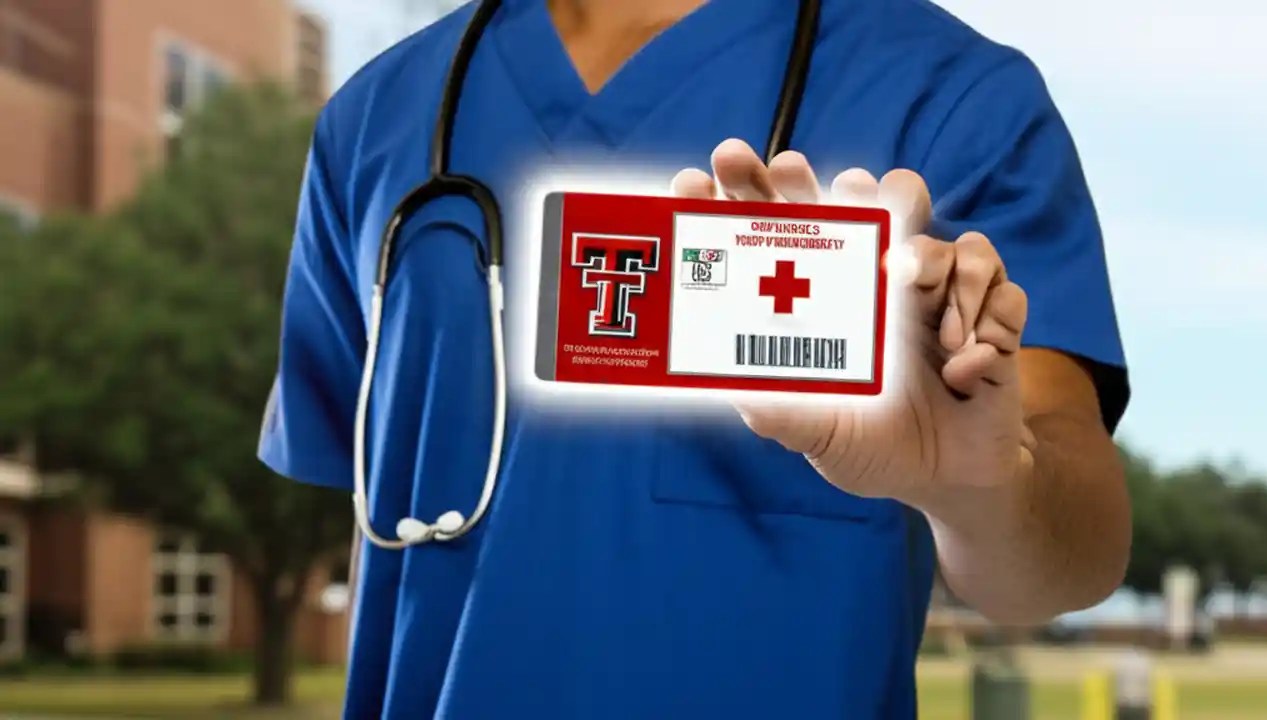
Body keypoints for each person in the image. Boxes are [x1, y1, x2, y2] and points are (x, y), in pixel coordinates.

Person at [258, 0, 1132, 717]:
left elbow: (1072, 556)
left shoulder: (952, 96)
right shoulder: (376, 118)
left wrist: (975, 486)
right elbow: (382, 520)